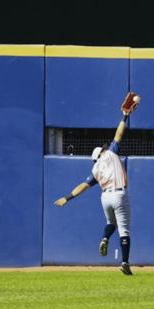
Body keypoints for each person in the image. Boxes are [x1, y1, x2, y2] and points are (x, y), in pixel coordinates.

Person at [54, 110, 134, 275]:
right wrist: (125, 116)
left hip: (105, 197)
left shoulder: (95, 168)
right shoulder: (111, 153)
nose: (105, 150)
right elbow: (119, 133)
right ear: (101, 154)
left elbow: (84, 185)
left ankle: (105, 238)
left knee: (111, 223)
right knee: (124, 230)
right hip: (119, 194)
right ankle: (125, 263)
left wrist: (67, 198)